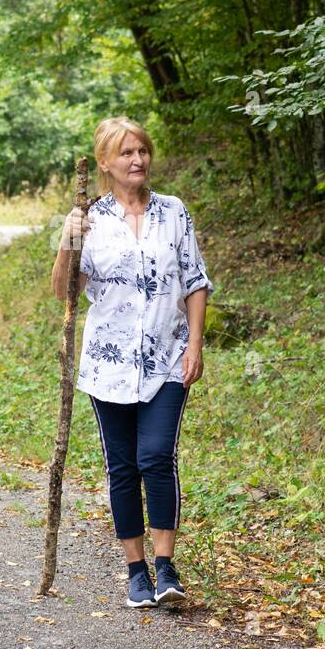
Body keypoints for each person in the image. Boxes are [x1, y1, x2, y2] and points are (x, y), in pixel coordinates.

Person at [50, 115, 213, 608]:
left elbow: (195, 281)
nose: (138, 159)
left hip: (166, 358)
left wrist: (195, 344)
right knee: (122, 468)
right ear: (104, 163)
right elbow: (64, 292)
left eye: (142, 150)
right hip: (109, 364)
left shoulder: (173, 211)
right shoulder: (90, 219)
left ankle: (166, 568)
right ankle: (136, 571)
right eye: (126, 153)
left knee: (157, 457)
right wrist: (67, 240)